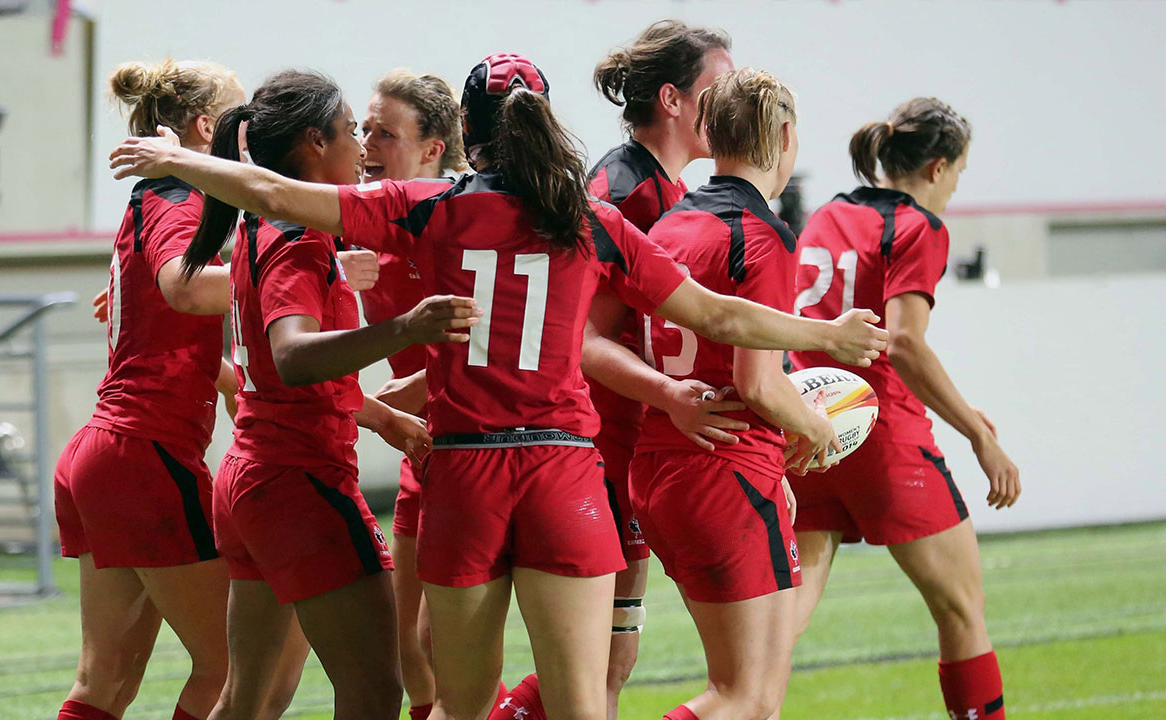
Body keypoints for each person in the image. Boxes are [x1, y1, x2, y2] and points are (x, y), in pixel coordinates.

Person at [107, 52, 887, 720]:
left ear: (467, 133)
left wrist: (177, 162)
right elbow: (717, 313)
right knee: (582, 705)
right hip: (561, 471)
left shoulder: (430, 206)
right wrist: (828, 336)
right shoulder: (592, 219)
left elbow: (277, 196)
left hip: (464, 473)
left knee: (460, 704)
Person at [178, 69, 477, 720]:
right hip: (299, 482)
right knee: (376, 691)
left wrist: (381, 417)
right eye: (351, 130)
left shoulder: (262, 224)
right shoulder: (299, 237)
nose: (362, 146)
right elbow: (291, 357)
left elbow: (281, 373)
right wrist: (405, 328)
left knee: (248, 700)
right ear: (314, 143)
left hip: (254, 475)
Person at [782, 98, 1021, 720]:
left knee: (782, 620)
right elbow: (905, 344)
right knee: (961, 609)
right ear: (938, 168)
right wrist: (977, 434)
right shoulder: (920, 228)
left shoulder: (828, 214)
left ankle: (728, 704)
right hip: (882, 433)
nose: (956, 186)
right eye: (959, 172)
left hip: (809, 431)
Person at [632, 68, 830, 720]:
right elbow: (758, 382)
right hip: (724, 470)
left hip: (660, 465)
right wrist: (815, 427)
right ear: (784, 135)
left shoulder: (666, 226)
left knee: (751, 689)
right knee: (747, 696)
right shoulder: (762, 236)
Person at [52, 58, 247, 720]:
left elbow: (160, 325)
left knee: (103, 683)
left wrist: (224, 377)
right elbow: (184, 288)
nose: (251, 130)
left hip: (105, 454)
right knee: (232, 668)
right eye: (241, 116)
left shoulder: (156, 198)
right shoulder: (178, 199)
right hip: (143, 455)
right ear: (208, 128)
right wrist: (291, 270)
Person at [584, 22, 734, 717]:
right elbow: (581, 339)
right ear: (673, 100)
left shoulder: (667, 189)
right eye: (719, 88)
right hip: (598, 447)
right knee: (591, 669)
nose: (732, 104)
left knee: (607, 664)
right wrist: (671, 393)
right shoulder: (625, 191)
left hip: (633, 447)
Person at [355, 68, 470, 720]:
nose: (367, 144)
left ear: (433, 149)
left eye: (385, 133)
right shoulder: (362, 222)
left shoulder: (460, 219)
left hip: (478, 449)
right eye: (364, 128)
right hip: (420, 450)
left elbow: (512, 325)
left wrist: (426, 382)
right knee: (407, 650)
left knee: (442, 644)